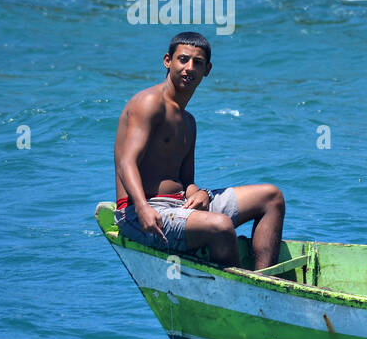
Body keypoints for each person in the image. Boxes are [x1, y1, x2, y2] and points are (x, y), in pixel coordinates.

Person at [112, 32, 286, 269]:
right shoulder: (149, 103)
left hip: (180, 204)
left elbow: (186, 181)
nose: (189, 68)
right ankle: (236, 289)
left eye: (198, 62)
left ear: (208, 69)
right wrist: (142, 207)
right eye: (183, 59)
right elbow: (126, 162)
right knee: (221, 226)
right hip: (141, 212)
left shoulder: (188, 121)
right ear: (167, 61)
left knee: (271, 197)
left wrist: (201, 193)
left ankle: (266, 281)